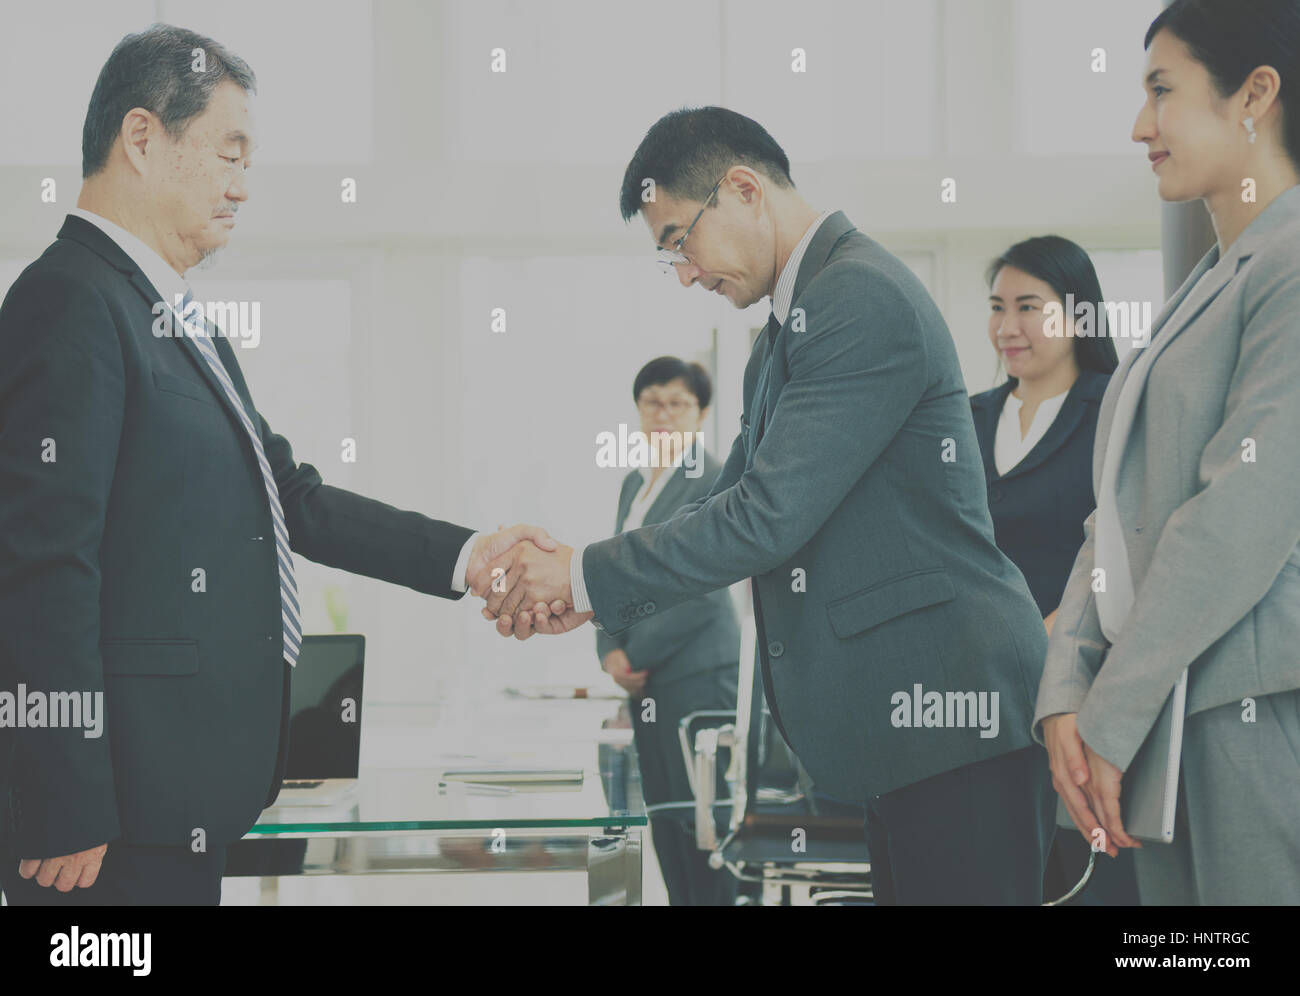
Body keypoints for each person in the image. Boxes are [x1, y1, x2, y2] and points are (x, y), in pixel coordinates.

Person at [0, 24, 549, 906]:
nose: (244, 186)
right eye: (230, 152)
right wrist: (62, 800)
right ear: (142, 139)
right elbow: (39, 568)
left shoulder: (175, 320)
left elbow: (290, 498)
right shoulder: (69, 300)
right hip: (106, 828)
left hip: (176, 803)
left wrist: (470, 554)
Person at [476, 106, 1056, 905]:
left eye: (679, 240)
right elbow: (721, 501)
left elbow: (763, 517)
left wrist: (576, 577)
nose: (683, 273)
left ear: (743, 189)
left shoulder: (857, 298)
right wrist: (588, 591)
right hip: (905, 729)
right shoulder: (786, 330)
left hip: (950, 715)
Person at [1034, 0, 1300, 905]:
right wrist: (1066, 686)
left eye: (1161, 91)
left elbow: (1238, 518)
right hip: (1173, 711)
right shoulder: (1209, 278)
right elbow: (1115, 509)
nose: (1139, 126)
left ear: (1254, 94)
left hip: (1251, 710)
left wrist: (1110, 709)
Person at [969, 236, 1136, 904]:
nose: (1007, 328)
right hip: (981, 695)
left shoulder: (1114, 409)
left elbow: (1127, 546)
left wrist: (1056, 633)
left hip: (1080, 690)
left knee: (1088, 875)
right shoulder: (964, 418)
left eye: (1029, 307)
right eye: (997, 307)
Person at [597, 356, 740, 906]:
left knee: (703, 826)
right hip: (645, 680)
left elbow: (703, 586)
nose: (663, 413)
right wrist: (608, 650)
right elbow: (608, 572)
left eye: (677, 403)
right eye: (652, 401)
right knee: (662, 818)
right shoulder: (635, 482)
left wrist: (633, 660)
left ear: (700, 414)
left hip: (698, 674)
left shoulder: (713, 477)